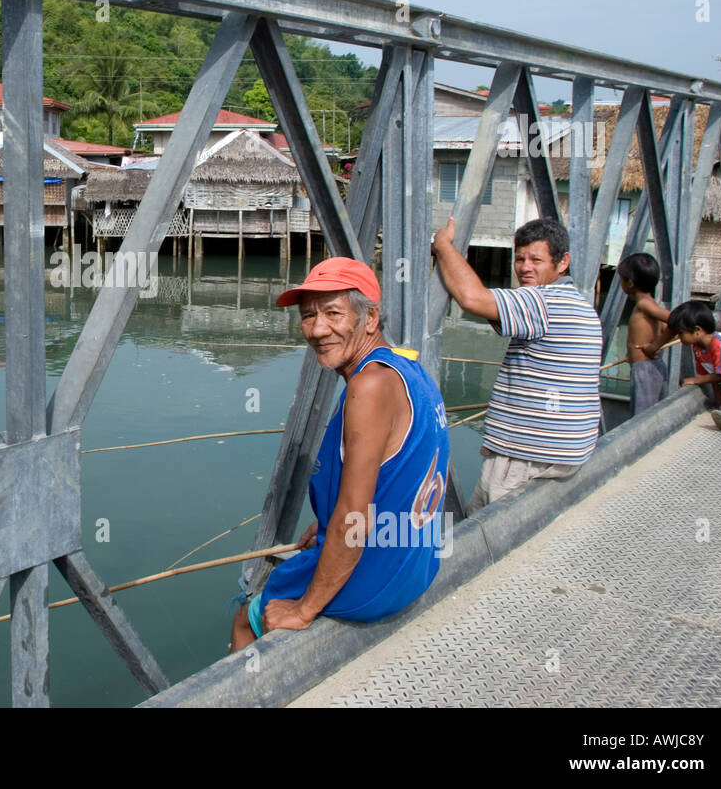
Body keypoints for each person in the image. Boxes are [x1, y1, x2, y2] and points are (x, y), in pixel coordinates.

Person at [229, 258, 450, 650]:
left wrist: (303, 610)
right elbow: (397, 474)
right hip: (417, 565)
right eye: (308, 316)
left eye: (333, 313)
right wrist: (327, 520)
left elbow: (353, 521)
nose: (317, 330)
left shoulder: (367, 388)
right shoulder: (408, 369)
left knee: (247, 620)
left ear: (370, 318)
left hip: (378, 580)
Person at [431, 216, 601, 512]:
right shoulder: (580, 305)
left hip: (525, 458)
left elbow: (471, 298)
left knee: (490, 533)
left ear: (563, 263)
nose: (524, 267)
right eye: (520, 258)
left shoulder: (542, 302)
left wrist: (443, 245)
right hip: (565, 454)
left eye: (536, 260)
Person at [646, 300, 721, 431]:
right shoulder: (698, 349)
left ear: (697, 330)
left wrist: (695, 380)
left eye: (681, 333)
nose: (679, 337)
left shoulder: (719, 344)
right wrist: (719, 404)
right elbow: (713, 377)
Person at [618, 252, 671, 415]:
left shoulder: (643, 305)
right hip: (652, 367)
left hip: (644, 369)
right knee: (652, 415)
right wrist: (656, 344)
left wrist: (654, 346)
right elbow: (666, 328)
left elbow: (675, 320)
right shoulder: (651, 303)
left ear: (630, 283)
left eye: (622, 279)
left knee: (641, 416)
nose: (621, 283)